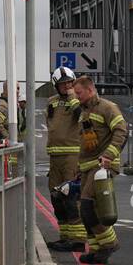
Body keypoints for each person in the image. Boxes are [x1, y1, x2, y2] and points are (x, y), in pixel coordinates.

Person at [72, 75, 127, 264]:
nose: (76, 97)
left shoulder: (107, 108)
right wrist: (79, 167)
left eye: (79, 93)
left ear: (90, 89)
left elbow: (121, 131)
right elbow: (85, 142)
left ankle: (109, 243)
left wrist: (109, 156)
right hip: (88, 167)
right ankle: (96, 250)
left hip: (101, 166)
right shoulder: (84, 111)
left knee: (88, 206)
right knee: (85, 210)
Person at [44, 67, 87, 252]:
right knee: (56, 197)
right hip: (55, 156)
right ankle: (65, 236)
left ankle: (77, 240)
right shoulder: (51, 102)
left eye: (69, 82)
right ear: (56, 85)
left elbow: (81, 115)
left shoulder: (77, 100)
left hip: (72, 155)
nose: (66, 86)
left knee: (71, 196)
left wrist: (71, 96)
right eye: (62, 84)